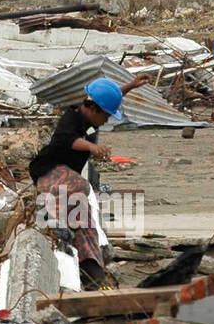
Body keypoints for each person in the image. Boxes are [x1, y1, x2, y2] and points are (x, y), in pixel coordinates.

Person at [27, 75, 149, 289]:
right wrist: (93, 148)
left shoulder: (94, 112)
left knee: (87, 224)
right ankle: (52, 218)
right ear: (94, 110)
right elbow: (66, 140)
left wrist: (129, 87)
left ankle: (93, 273)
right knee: (81, 186)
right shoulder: (71, 117)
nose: (107, 120)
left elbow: (104, 97)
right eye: (107, 115)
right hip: (48, 173)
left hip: (66, 183)